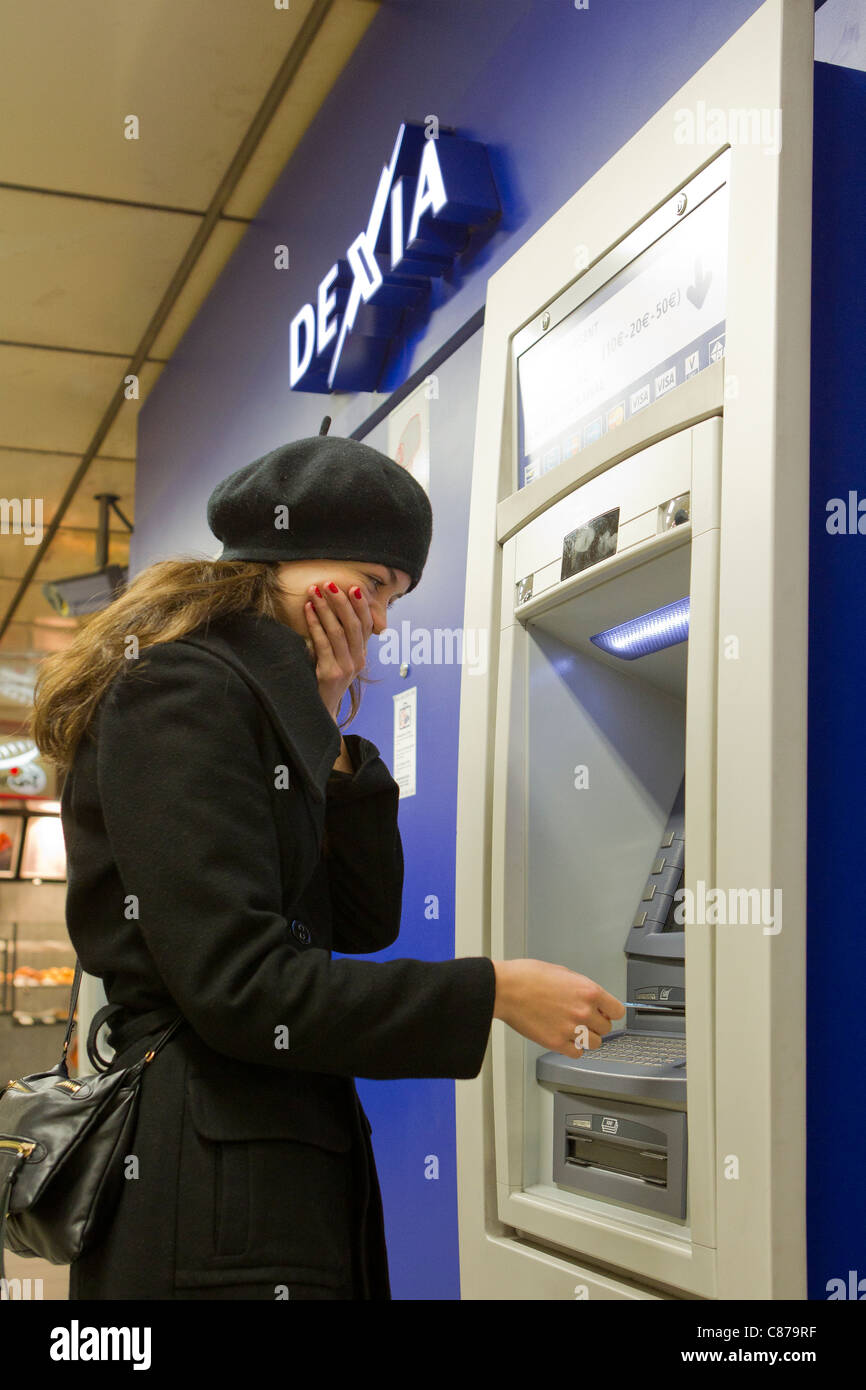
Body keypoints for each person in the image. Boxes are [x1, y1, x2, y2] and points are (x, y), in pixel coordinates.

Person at [31, 426, 623, 1300]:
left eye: (396, 597)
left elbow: (360, 919)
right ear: (287, 559)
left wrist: (331, 732)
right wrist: (491, 990)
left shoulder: (263, 704)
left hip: (261, 1160)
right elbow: (242, 986)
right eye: (376, 583)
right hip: (205, 1183)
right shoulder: (180, 689)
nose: (381, 618)